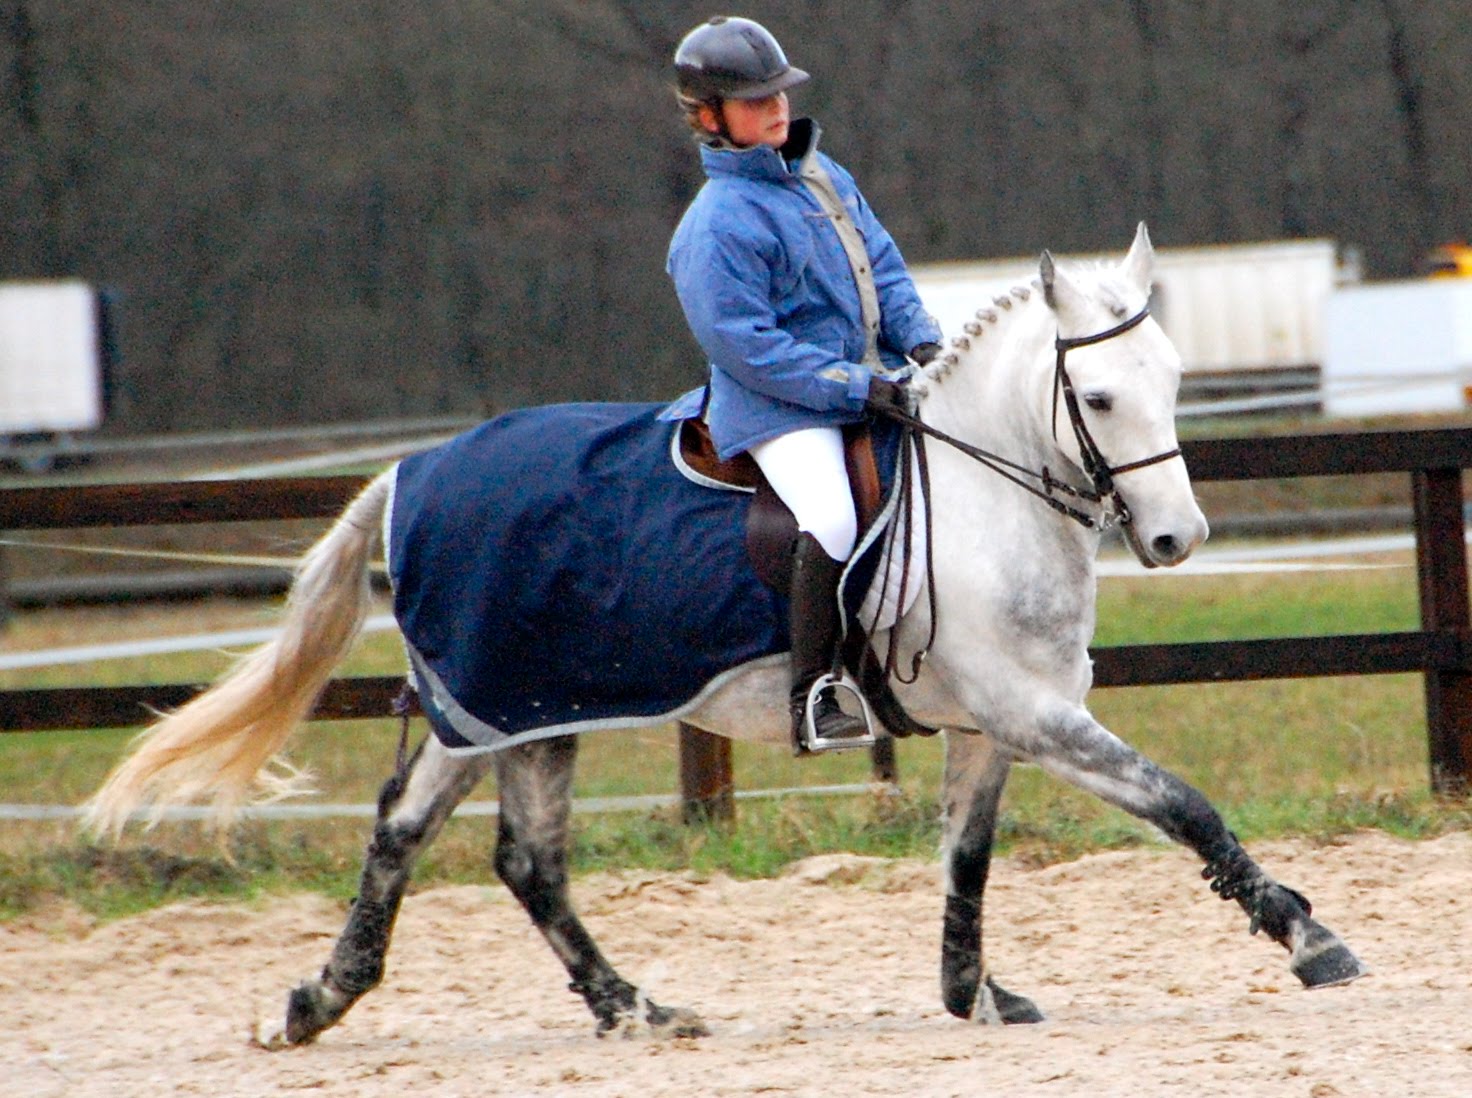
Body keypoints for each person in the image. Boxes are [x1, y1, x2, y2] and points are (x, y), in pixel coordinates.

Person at [666, 15, 942, 750]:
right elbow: (745, 346)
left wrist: (919, 336)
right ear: (709, 116)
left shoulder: (824, 176)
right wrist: (854, 386)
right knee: (832, 517)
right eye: (756, 101)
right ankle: (814, 695)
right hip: (780, 408)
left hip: (864, 382)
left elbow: (879, 261)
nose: (777, 107)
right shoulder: (715, 225)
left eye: (778, 93)